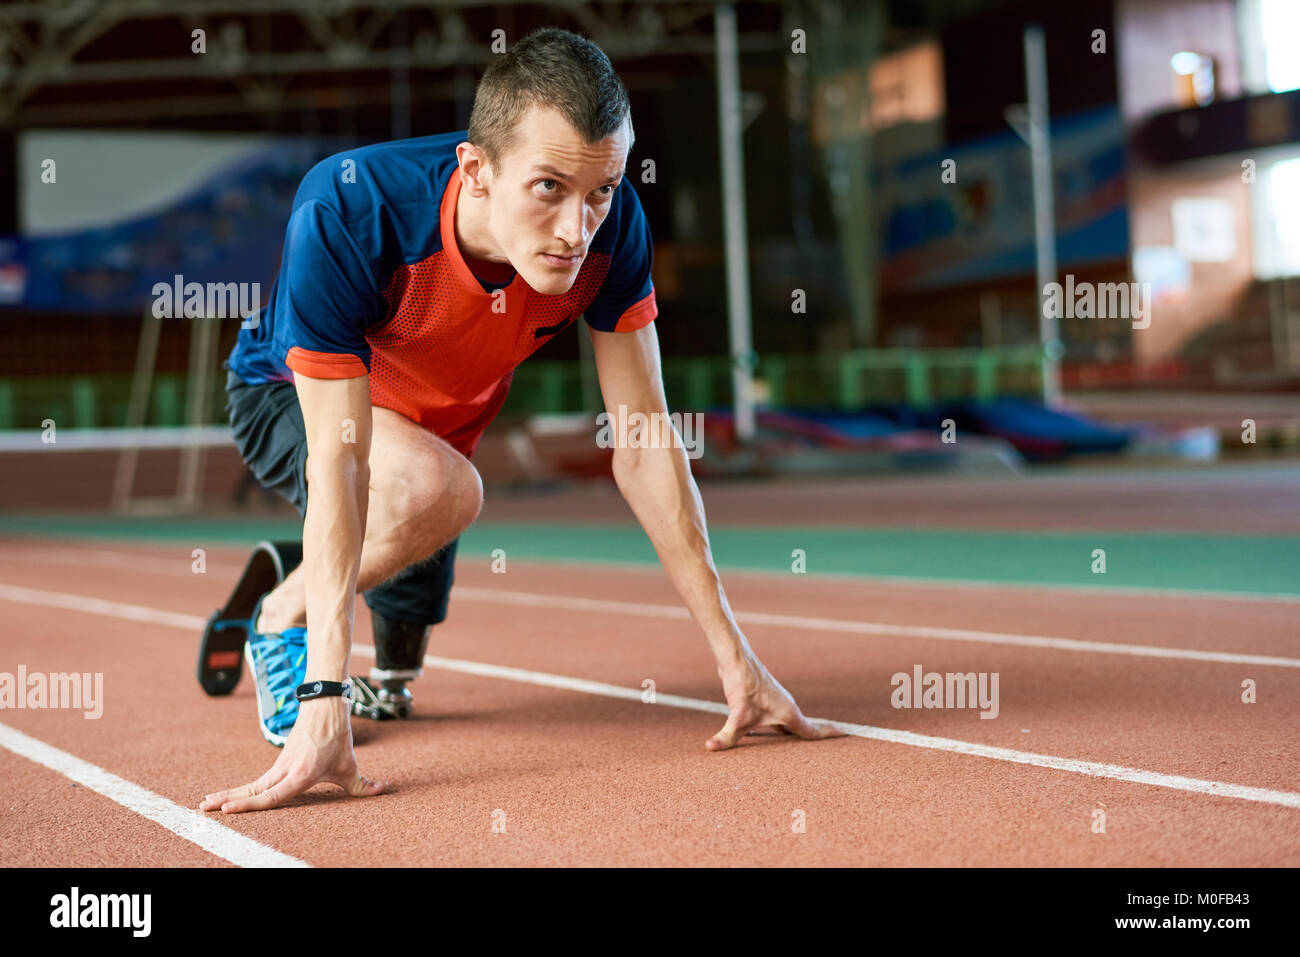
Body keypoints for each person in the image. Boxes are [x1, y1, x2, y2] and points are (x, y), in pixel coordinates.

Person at [201, 27, 841, 815]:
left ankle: (296, 572)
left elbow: (643, 440)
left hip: (434, 431)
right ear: (475, 170)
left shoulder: (614, 231)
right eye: (549, 189)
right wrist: (324, 690)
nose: (578, 230)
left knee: (397, 682)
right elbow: (340, 461)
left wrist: (735, 657)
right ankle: (278, 612)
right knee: (441, 492)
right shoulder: (350, 207)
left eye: (601, 191)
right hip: (288, 395)